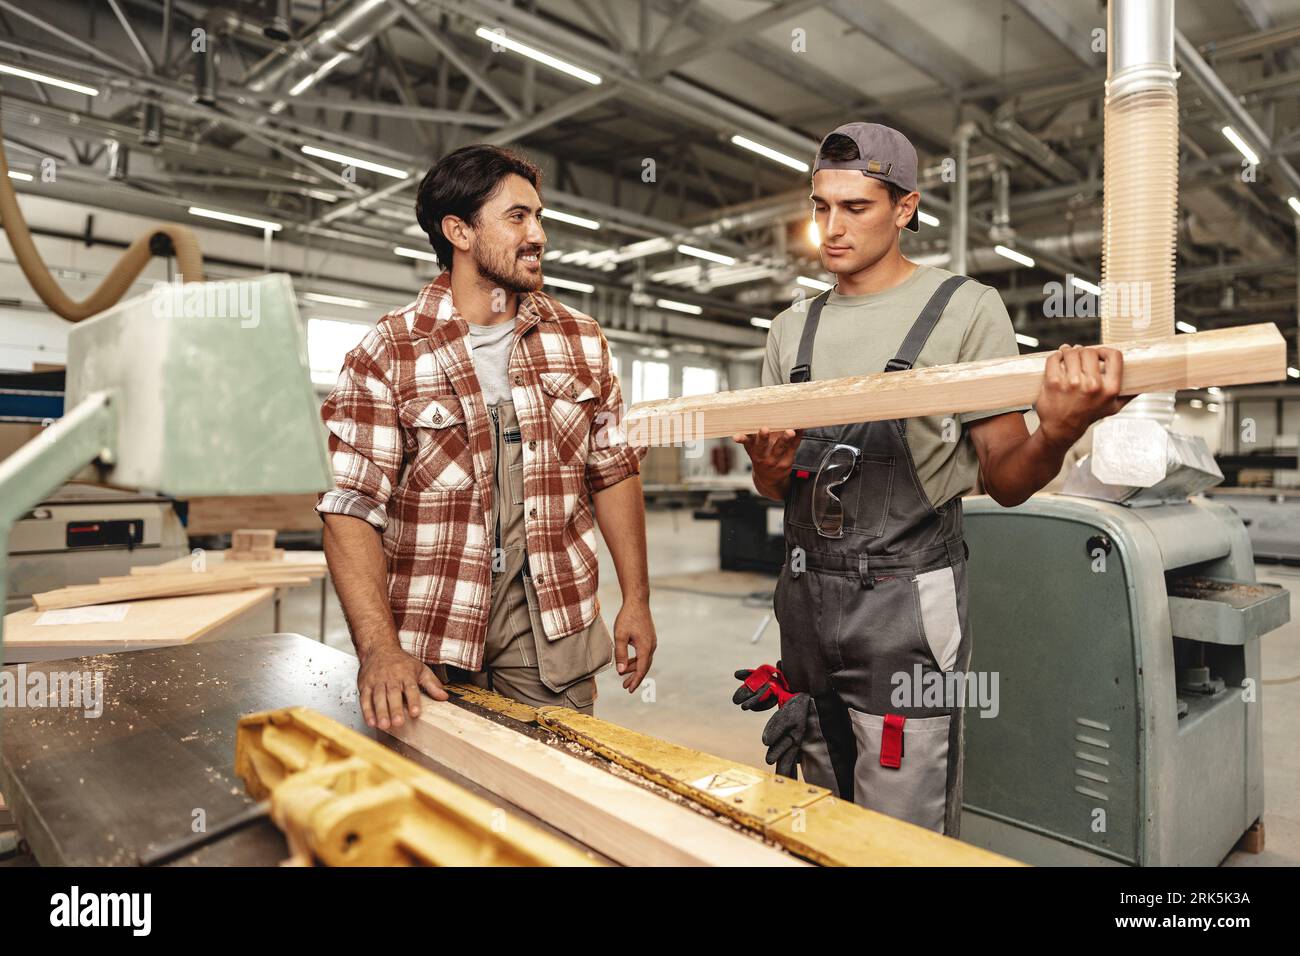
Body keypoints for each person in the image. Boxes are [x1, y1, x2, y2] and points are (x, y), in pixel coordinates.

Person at [732, 123, 1128, 836]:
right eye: (822, 207)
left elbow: (1006, 479)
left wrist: (1061, 429)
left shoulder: (965, 310)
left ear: (906, 208)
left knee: (900, 827)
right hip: (804, 606)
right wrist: (766, 470)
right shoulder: (791, 329)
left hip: (907, 610)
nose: (832, 227)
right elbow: (778, 486)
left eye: (856, 208)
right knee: (813, 812)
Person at [318, 144, 656, 731]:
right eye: (517, 217)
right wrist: (379, 649)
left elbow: (613, 470)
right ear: (459, 232)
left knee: (556, 797)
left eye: (539, 216)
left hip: (553, 633)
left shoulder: (579, 339)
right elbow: (351, 508)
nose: (539, 235)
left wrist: (637, 599)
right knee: (443, 806)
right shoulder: (389, 352)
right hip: (432, 634)